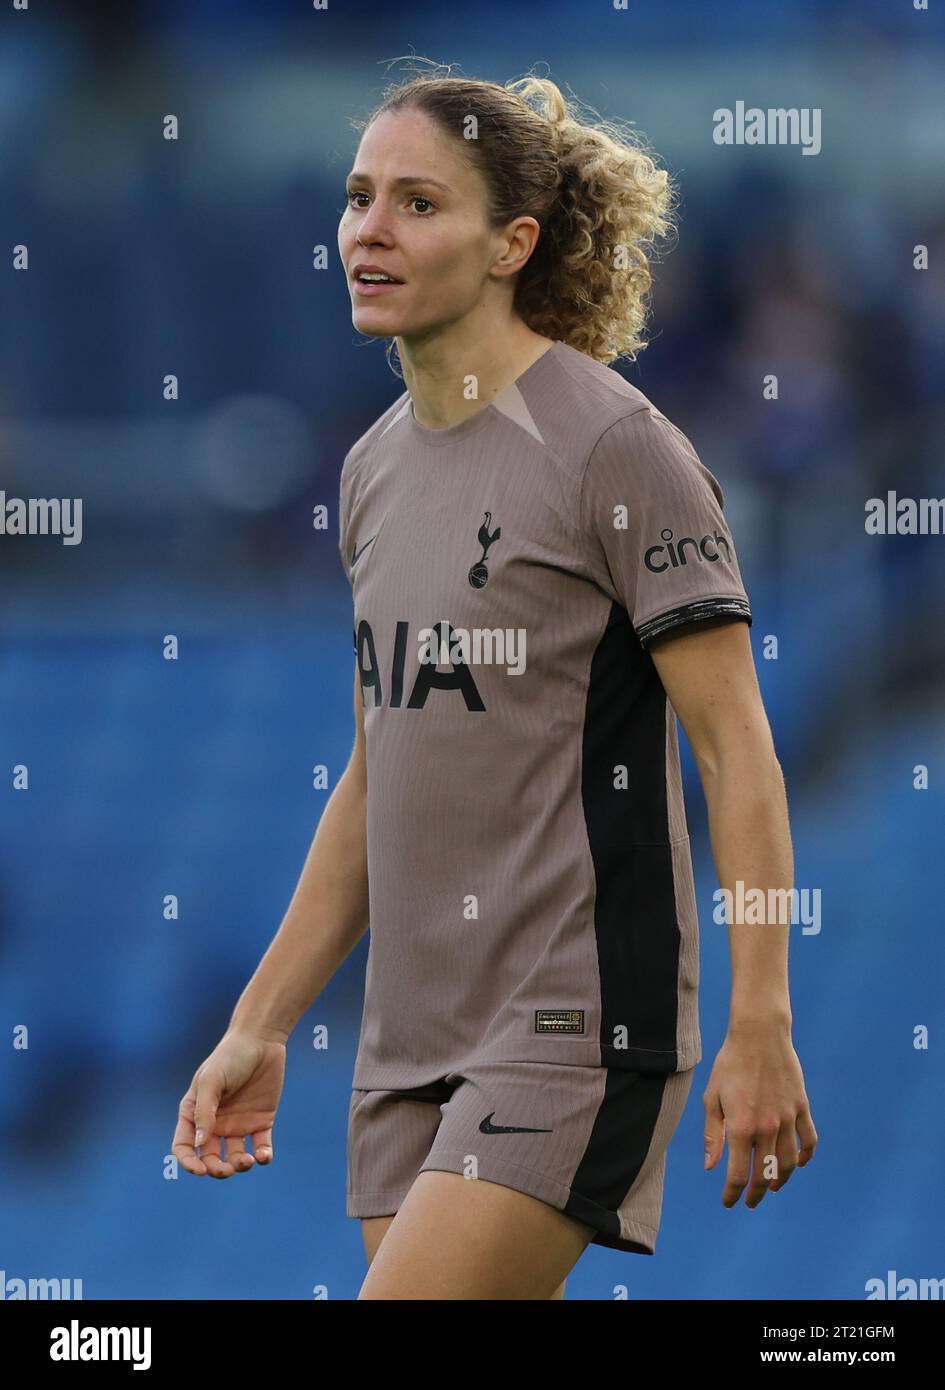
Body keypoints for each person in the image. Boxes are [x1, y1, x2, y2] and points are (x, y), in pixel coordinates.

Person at [172, 66, 817, 1301]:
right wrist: (260, 1021)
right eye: (359, 196)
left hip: (574, 1023)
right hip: (407, 1041)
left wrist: (763, 1014)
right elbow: (376, 776)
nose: (369, 229)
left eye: (418, 203)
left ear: (513, 243)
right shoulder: (367, 472)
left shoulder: (618, 447)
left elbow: (736, 747)